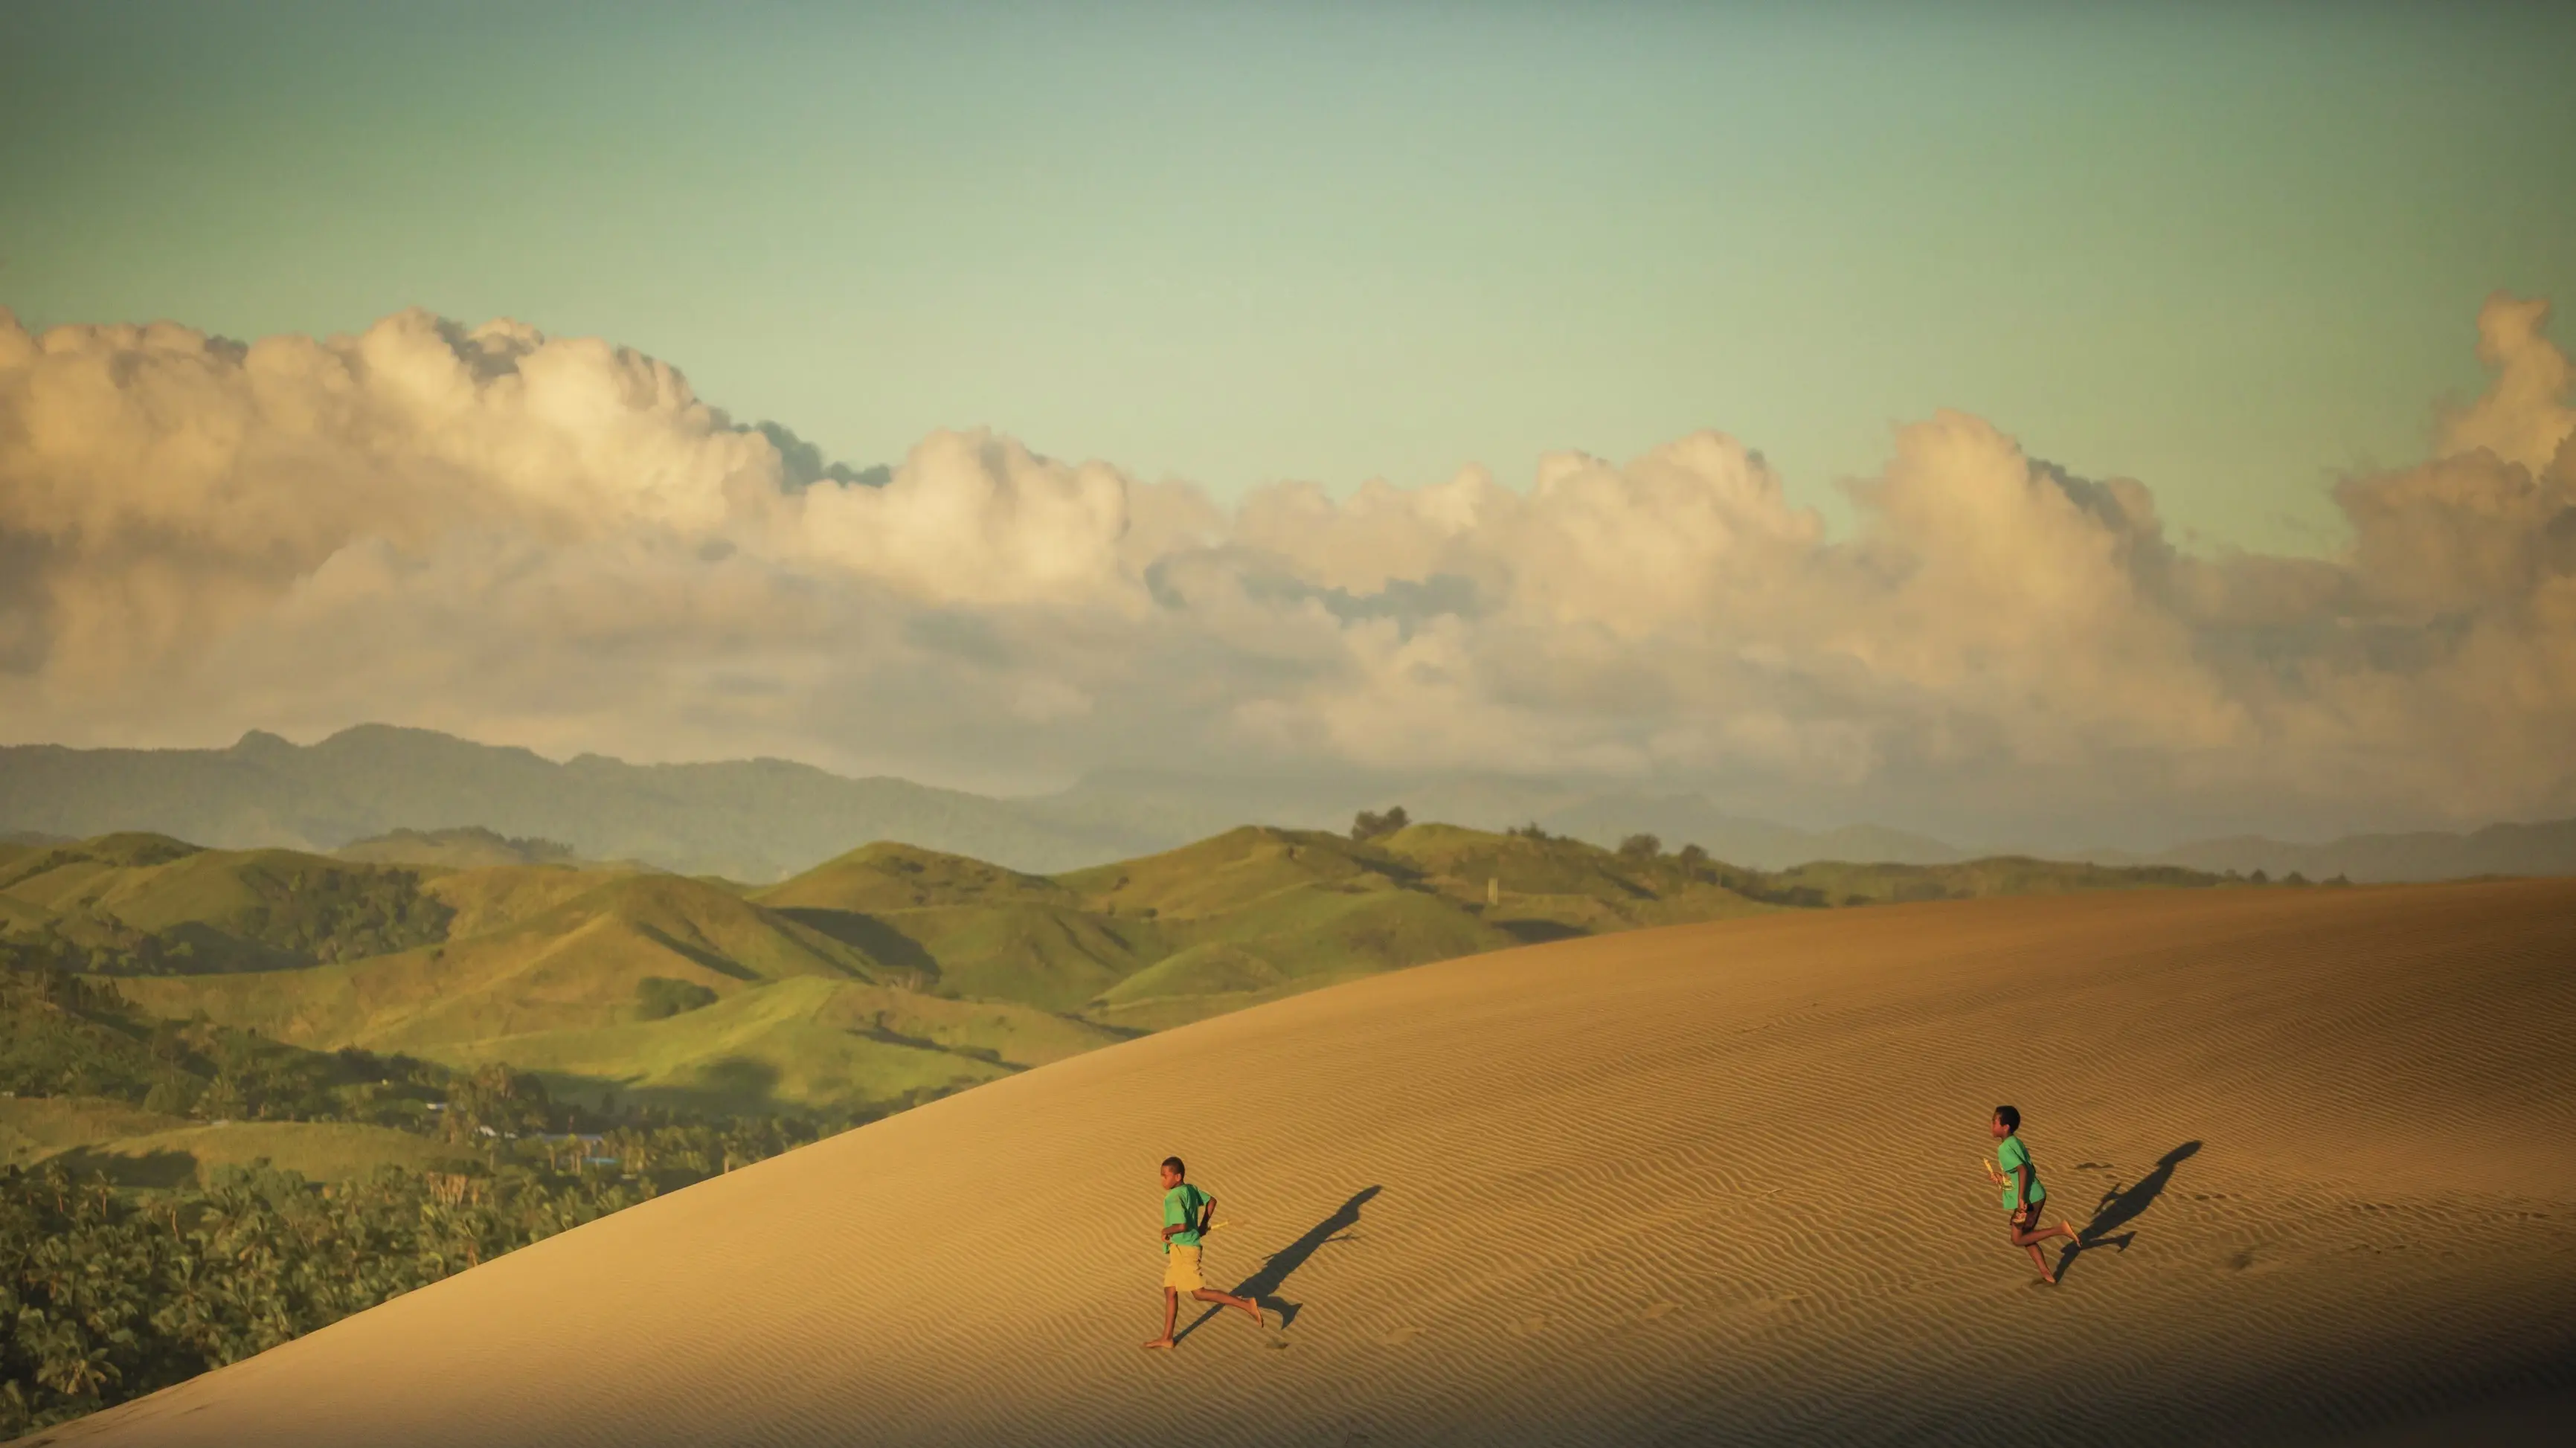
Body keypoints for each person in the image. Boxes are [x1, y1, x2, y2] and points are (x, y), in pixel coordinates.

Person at [1143, 1156, 1265, 1350]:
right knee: (1170, 1290)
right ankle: (1167, 1338)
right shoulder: (1190, 1189)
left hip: (1185, 1250)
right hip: (1180, 1250)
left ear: (1177, 1176)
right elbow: (1212, 1201)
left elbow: (1181, 1225)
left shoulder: (1173, 1197)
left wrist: (1165, 1231)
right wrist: (1203, 1224)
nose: (1162, 1180)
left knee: (1199, 1294)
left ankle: (1247, 1305)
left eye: (1165, 1176)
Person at [1984, 1105, 2081, 1284]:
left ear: (2005, 1127)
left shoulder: (2004, 1149)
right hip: (2034, 1194)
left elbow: (2023, 1171)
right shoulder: (2015, 1142)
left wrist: (2021, 1199)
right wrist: (2003, 1179)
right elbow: (2027, 1169)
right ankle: (2047, 1274)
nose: (1991, 1124)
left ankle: (2060, 1229)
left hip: (2030, 1199)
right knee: (2026, 1237)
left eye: (1994, 1121)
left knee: (2017, 1238)